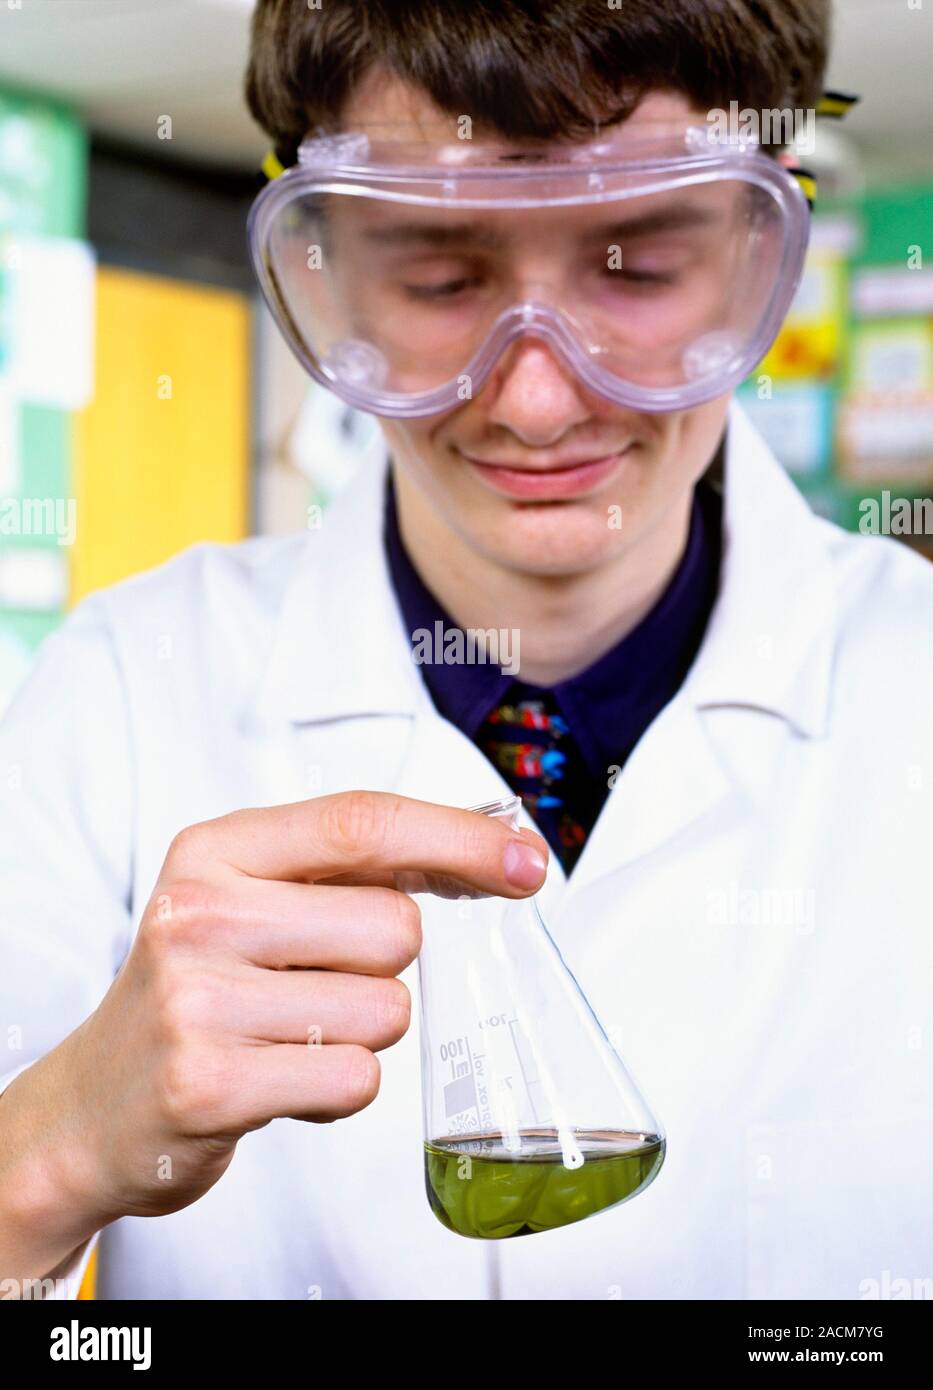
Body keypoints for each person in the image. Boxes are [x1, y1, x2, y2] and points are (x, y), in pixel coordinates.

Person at [1, 0, 931, 1301]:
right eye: (439, 277)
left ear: (755, 245)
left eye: (637, 264)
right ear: (324, 263)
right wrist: (44, 1156)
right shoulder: (116, 691)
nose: (536, 398)